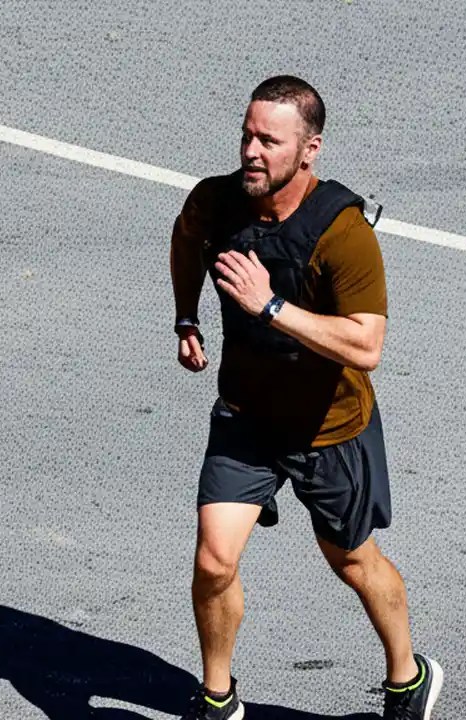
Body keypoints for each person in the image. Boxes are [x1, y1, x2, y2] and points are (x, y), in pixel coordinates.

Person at [168, 75, 443, 720]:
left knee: (352, 561)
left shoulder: (343, 233)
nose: (251, 151)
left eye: (269, 139)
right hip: (246, 418)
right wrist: (187, 317)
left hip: (330, 429)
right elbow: (185, 241)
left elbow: (365, 345)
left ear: (309, 149)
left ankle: (409, 677)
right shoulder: (216, 202)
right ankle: (217, 697)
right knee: (213, 559)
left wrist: (269, 305)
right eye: (246, 135)